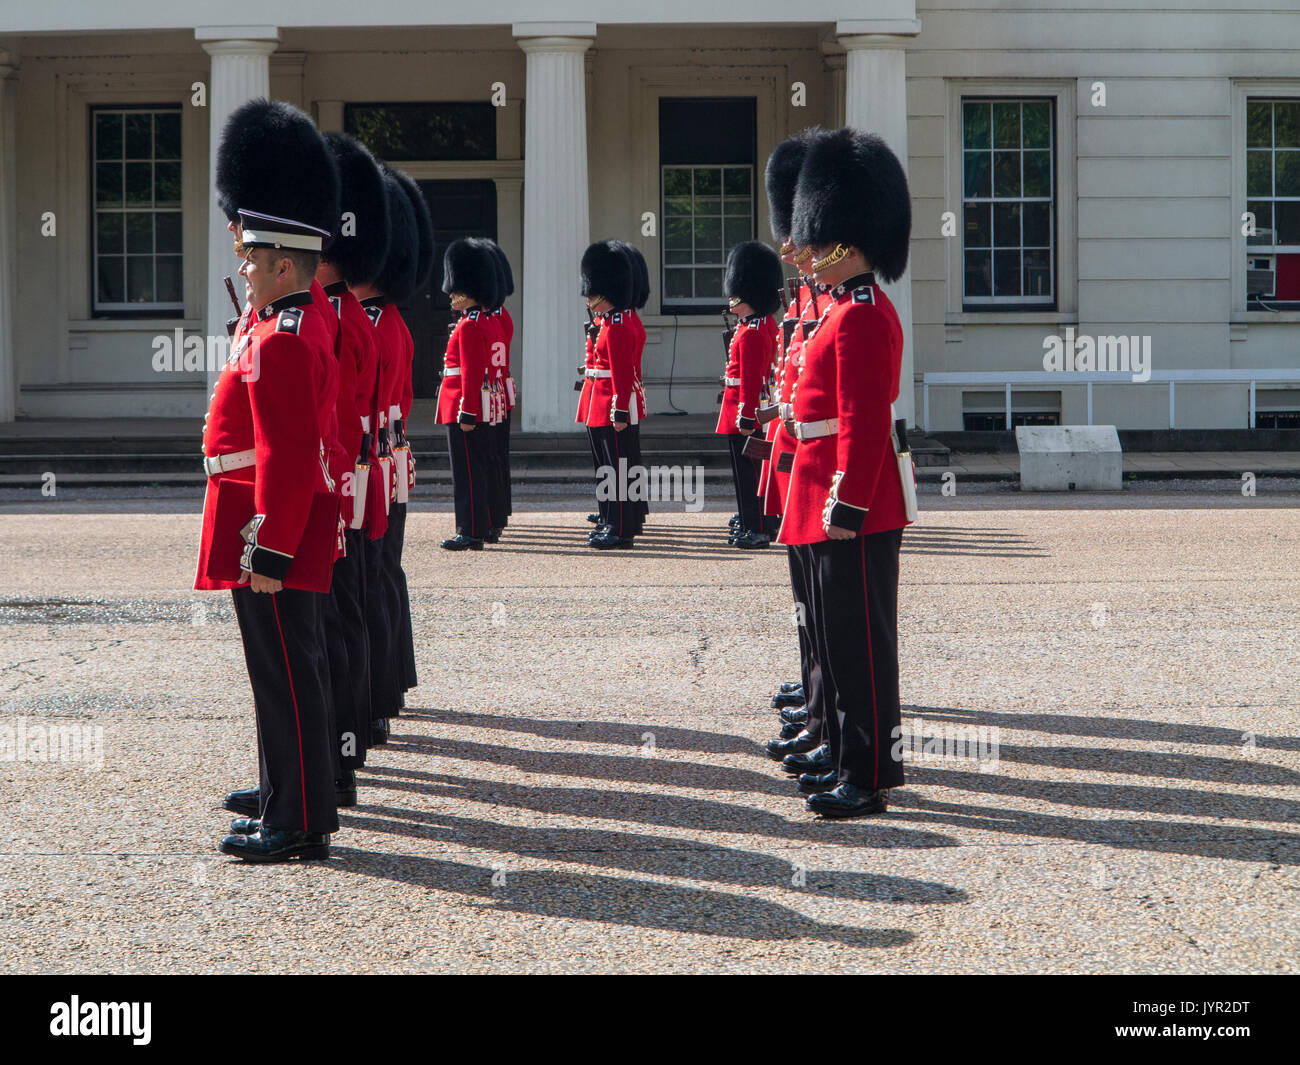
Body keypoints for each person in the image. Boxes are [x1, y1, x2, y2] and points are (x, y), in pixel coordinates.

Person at [196, 206, 340, 862]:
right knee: (281, 672)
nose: (243, 267)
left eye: (253, 259)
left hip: (271, 523)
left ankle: (299, 819)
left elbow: (284, 453)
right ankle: (287, 796)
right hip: (265, 516)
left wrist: (268, 547)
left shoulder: (286, 334)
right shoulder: (286, 320)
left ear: (285, 265)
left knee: (287, 674)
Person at [778, 127, 913, 818]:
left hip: (851, 501)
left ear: (848, 238)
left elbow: (863, 424)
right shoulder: (838, 310)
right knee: (833, 639)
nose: (805, 250)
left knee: (860, 646)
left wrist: (848, 504)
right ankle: (838, 749)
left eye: (817, 236)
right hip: (824, 489)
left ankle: (868, 774)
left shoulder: (860, 315)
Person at [316, 130, 391, 796]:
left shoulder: (336, 320)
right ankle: (331, 754)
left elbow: (334, 421)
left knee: (332, 623)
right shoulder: (337, 313)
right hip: (348, 479)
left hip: (333, 484)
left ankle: (332, 762)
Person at [351, 170, 419, 741]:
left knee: (367, 581)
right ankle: (389, 682)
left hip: (367, 464)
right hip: (389, 459)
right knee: (383, 574)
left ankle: (372, 695)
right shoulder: (390, 321)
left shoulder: (369, 324)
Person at [717, 240, 782, 549]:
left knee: (750, 473)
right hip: (738, 408)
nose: (732, 296)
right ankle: (753, 521)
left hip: (744, 412)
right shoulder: (752, 325)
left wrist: (746, 415)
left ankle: (755, 527)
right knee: (748, 471)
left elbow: (752, 378)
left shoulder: (753, 331)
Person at [437, 237, 500, 549]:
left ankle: (470, 530)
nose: (451, 294)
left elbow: (472, 373)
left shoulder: (469, 326)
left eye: (456, 289)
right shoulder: (475, 321)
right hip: (463, 401)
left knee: (467, 473)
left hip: (462, 404)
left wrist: (468, 410)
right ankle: (477, 525)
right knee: (472, 469)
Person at [580, 240, 639, 549]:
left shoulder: (616, 326)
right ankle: (614, 522)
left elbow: (621, 373)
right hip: (600, 399)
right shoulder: (608, 323)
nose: (590, 298)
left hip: (610, 401)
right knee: (610, 468)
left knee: (616, 468)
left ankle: (619, 527)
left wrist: (619, 410)